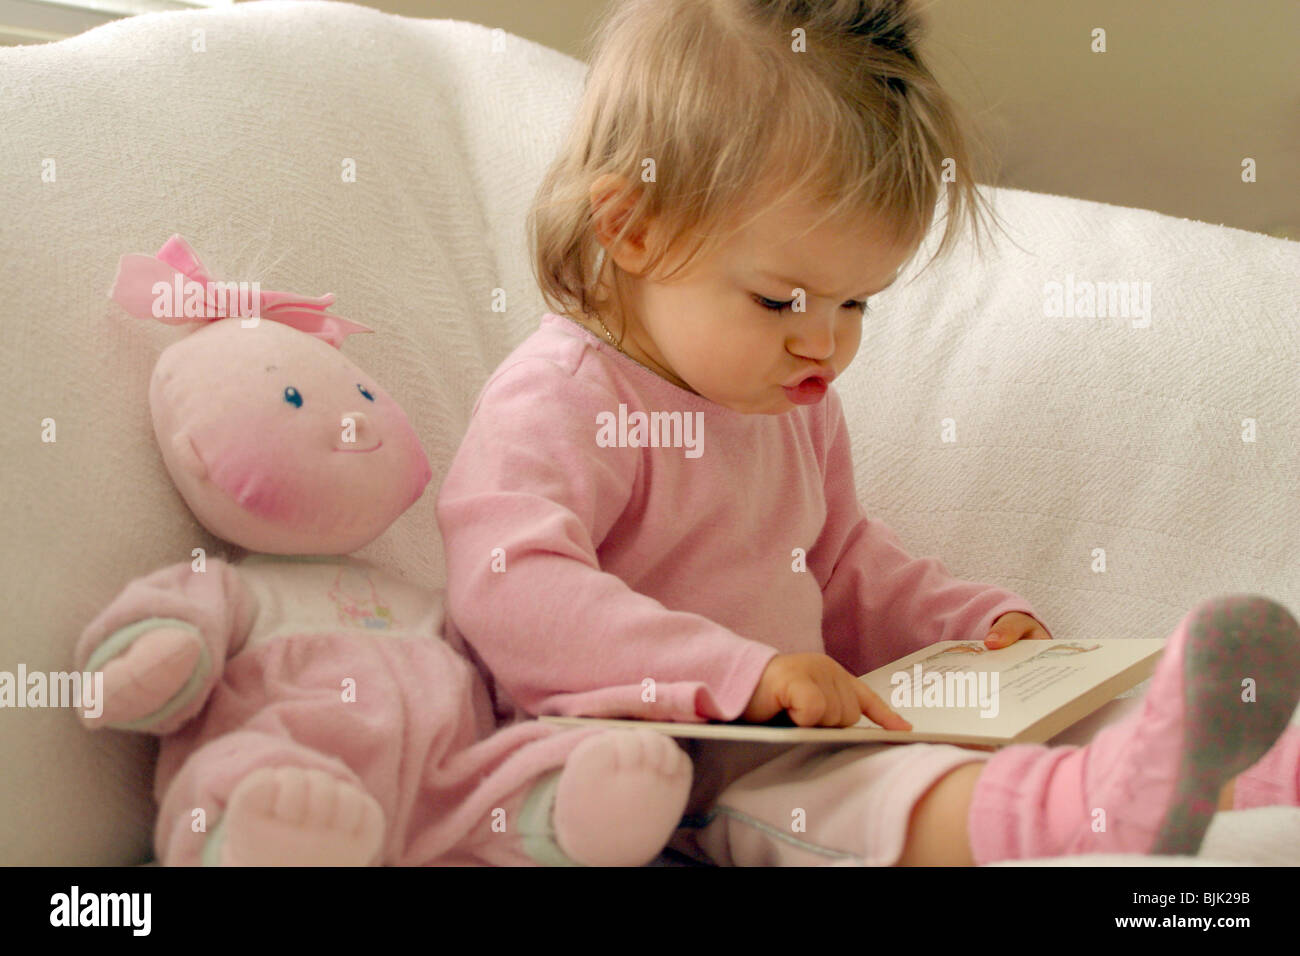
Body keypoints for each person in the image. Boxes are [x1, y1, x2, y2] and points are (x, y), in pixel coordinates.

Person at [436, 0, 1300, 865]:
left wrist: (966, 628)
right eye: (782, 300)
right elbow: (511, 586)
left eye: (857, 303)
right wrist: (744, 674)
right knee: (874, 797)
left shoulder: (787, 403)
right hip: (661, 768)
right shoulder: (561, 399)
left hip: (798, 736)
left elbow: (840, 562)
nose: (826, 344)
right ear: (631, 228)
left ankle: (1243, 774)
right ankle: (1082, 816)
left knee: (1020, 727)